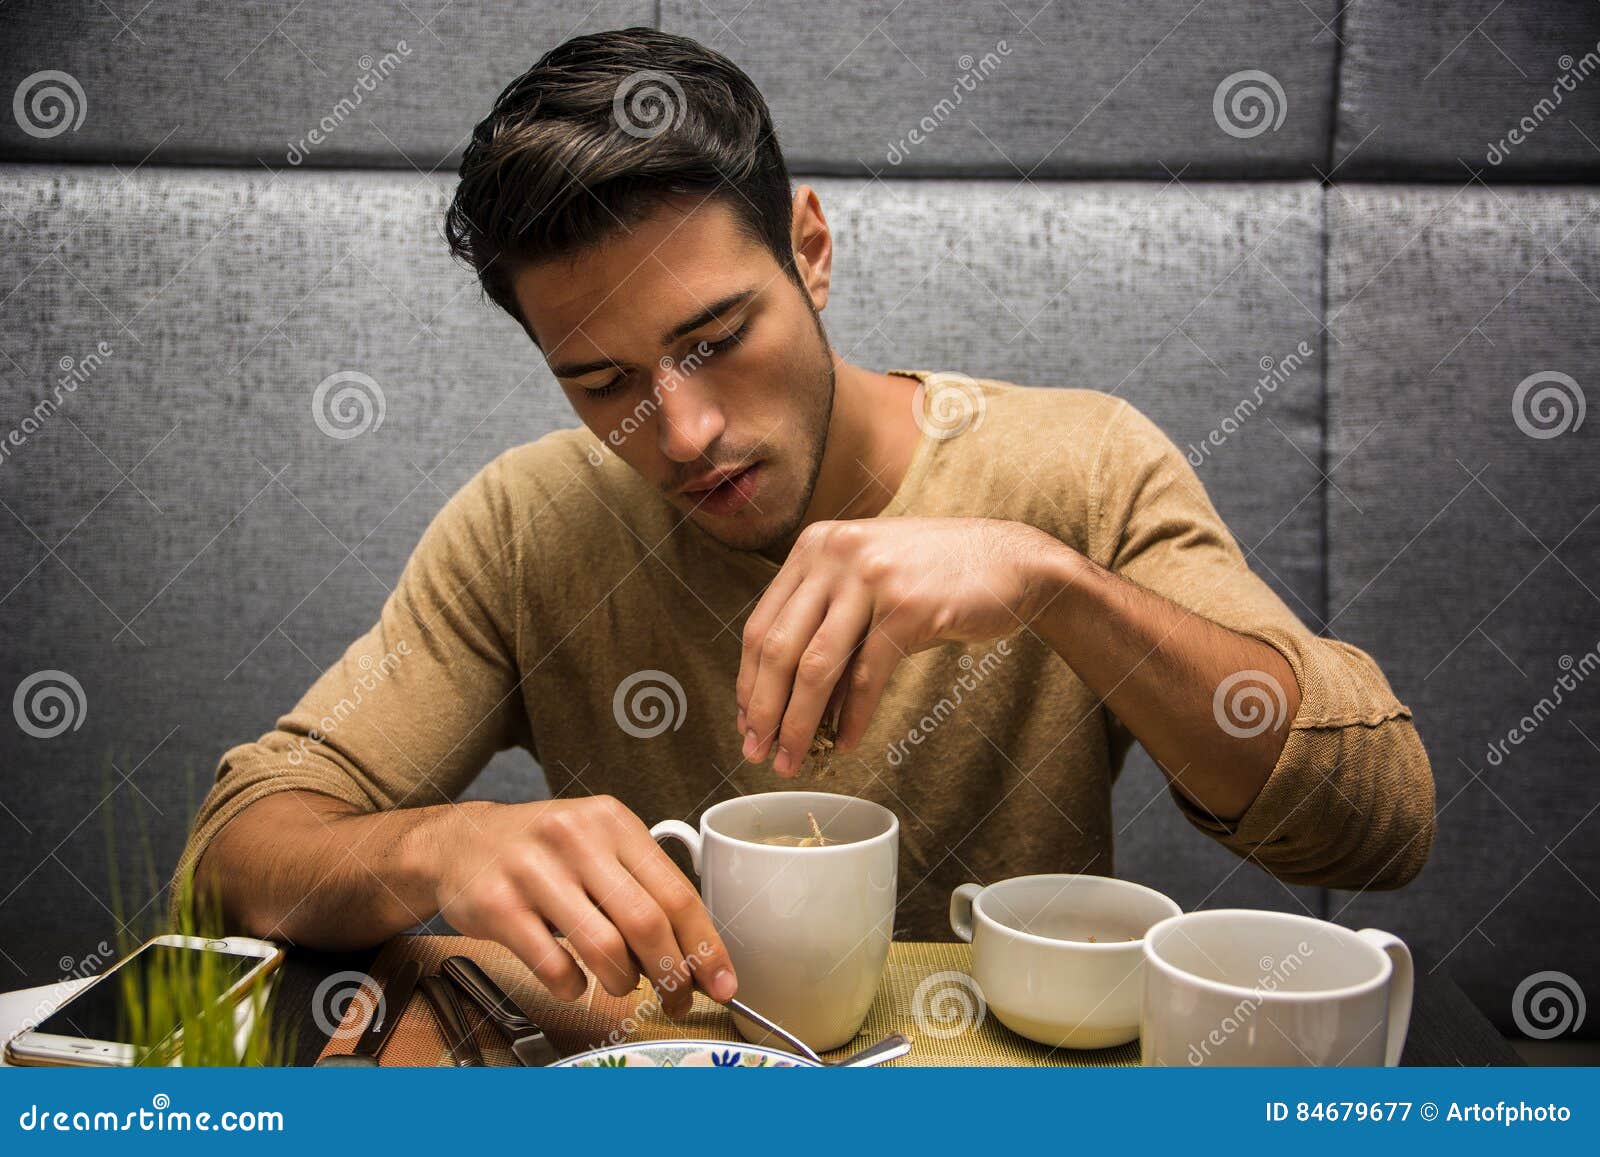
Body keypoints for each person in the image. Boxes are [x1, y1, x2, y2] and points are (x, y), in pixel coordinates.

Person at [176, 28, 1435, 1018]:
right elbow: (237, 849)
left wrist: (1058, 587)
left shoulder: (1079, 463)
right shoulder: (528, 526)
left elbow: (1378, 820)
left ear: (810, 249)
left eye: (714, 342)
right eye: (602, 382)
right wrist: (433, 850)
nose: (682, 435)